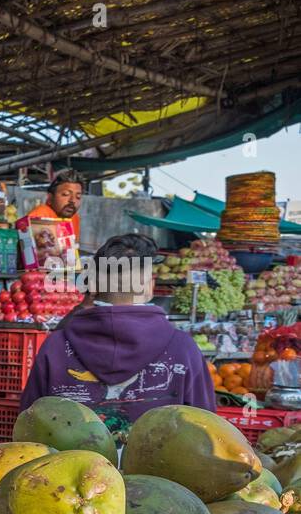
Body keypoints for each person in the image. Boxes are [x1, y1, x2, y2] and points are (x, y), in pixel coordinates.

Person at [19, 233, 216, 431]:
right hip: (157, 462)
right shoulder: (184, 349)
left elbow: (27, 426)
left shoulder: (55, 347)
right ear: (150, 286)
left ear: (93, 285)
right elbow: (208, 431)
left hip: (68, 462)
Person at [27, 168, 85, 241]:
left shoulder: (74, 218)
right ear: (50, 198)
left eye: (78, 197)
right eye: (65, 194)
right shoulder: (39, 215)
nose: (73, 200)